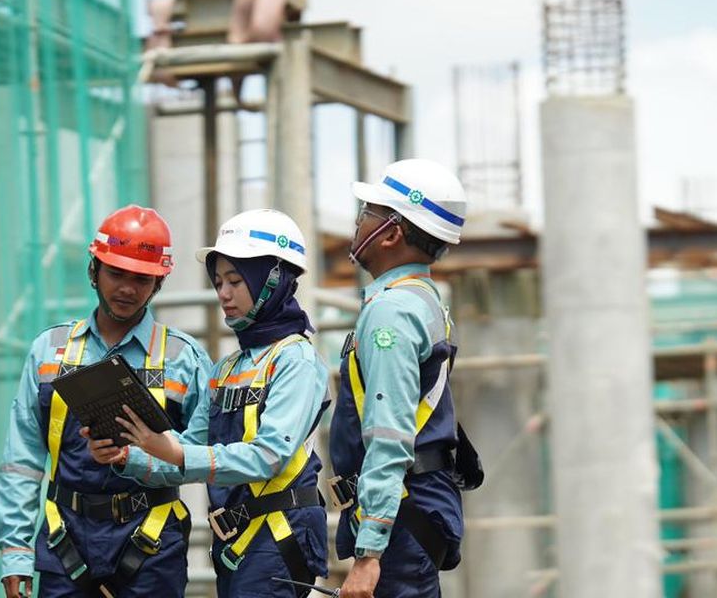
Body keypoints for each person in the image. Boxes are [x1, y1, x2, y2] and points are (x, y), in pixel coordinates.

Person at [87, 209, 331, 598]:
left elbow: (269, 455)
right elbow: (188, 451)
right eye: (218, 281)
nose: (224, 294)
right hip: (236, 544)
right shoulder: (225, 369)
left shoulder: (294, 359)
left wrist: (174, 452)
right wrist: (128, 456)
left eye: (236, 281)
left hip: (279, 538)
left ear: (272, 281)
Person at [0, 205, 212, 598]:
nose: (128, 288)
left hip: (152, 544)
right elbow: (22, 459)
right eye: (116, 273)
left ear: (158, 282)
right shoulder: (50, 352)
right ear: (94, 270)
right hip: (65, 543)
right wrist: (15, 552)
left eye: (142, 278)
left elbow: (204, 457)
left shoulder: (184, 358)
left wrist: (140, 456)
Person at [328, 159, 483, 598]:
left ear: (392, 232)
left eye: (369, 213)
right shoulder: (422, 300)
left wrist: (368, 555)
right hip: (413, 507)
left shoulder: (391, 311)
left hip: (400, 514)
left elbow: (389, 433)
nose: (359, 223)